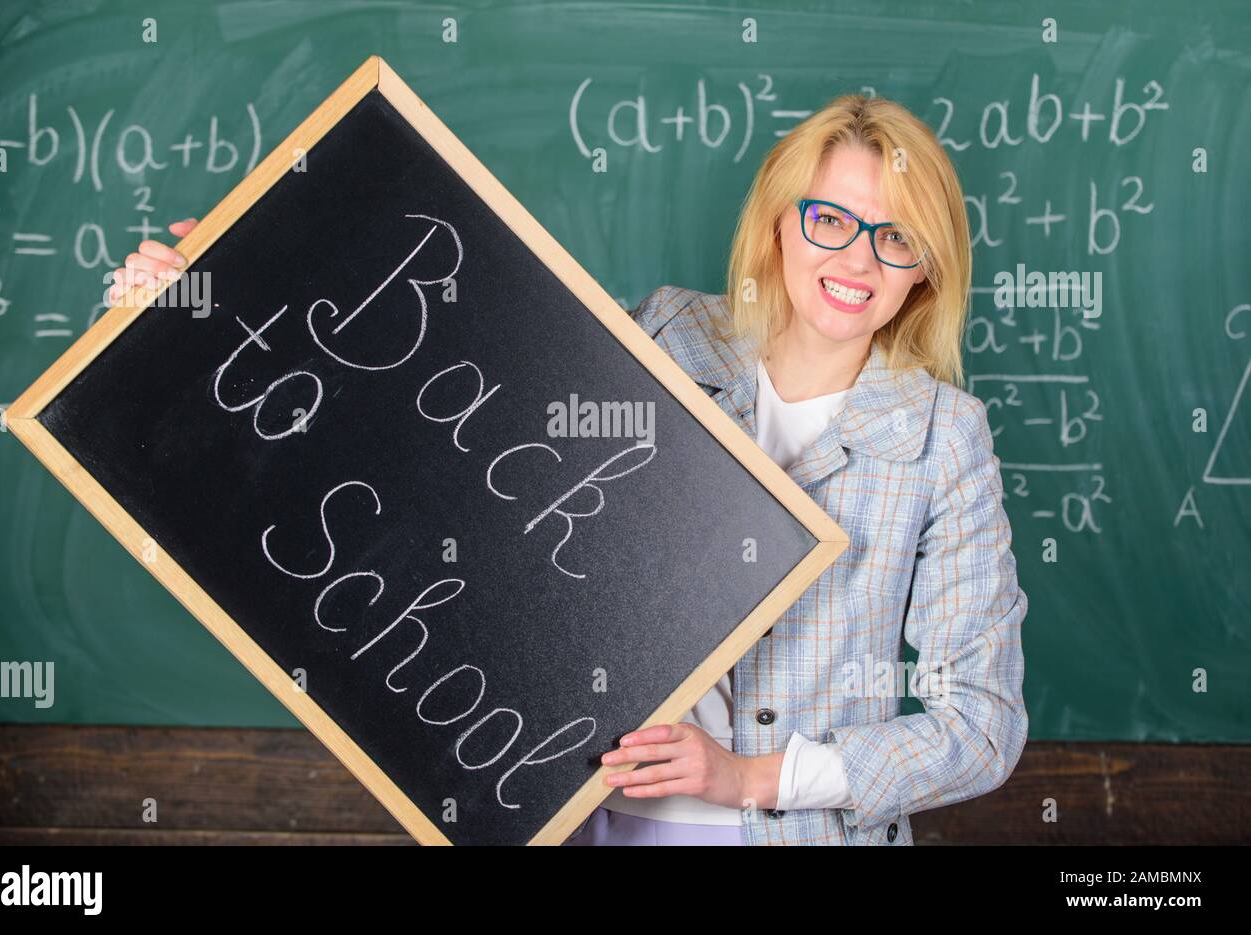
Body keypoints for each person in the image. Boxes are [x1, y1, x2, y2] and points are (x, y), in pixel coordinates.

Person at [111, 93, 1027, 847]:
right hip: (565, 806)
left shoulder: (944, 439)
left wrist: (752, 775)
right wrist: (202, 300)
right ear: (782, 223)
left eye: (895, 237)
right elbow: (429, 411)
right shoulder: (668, 336)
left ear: (926, 272)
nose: (856, 259)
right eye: (831, 218)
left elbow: (981, 726)